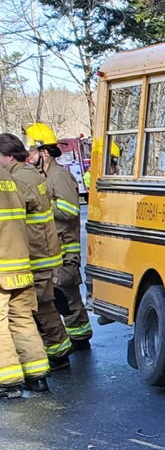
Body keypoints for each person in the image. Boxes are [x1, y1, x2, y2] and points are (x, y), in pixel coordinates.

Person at [0, 135, 60, 390]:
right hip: (21, 265)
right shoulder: (11, 179)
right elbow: (34, 202)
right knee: (22, 318)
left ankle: (8, 381)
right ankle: (38, 377)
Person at [26, 123, 92, 350]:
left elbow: (70, 210)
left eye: (32, 152)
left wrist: (41, 205)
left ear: (44, 152)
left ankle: (80, 339)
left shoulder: (59, 177)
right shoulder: (43, 176)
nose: (29, 157)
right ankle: (71, 338)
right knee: (56, 296)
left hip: (66, 247)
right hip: (51, 247)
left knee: (68, 293)